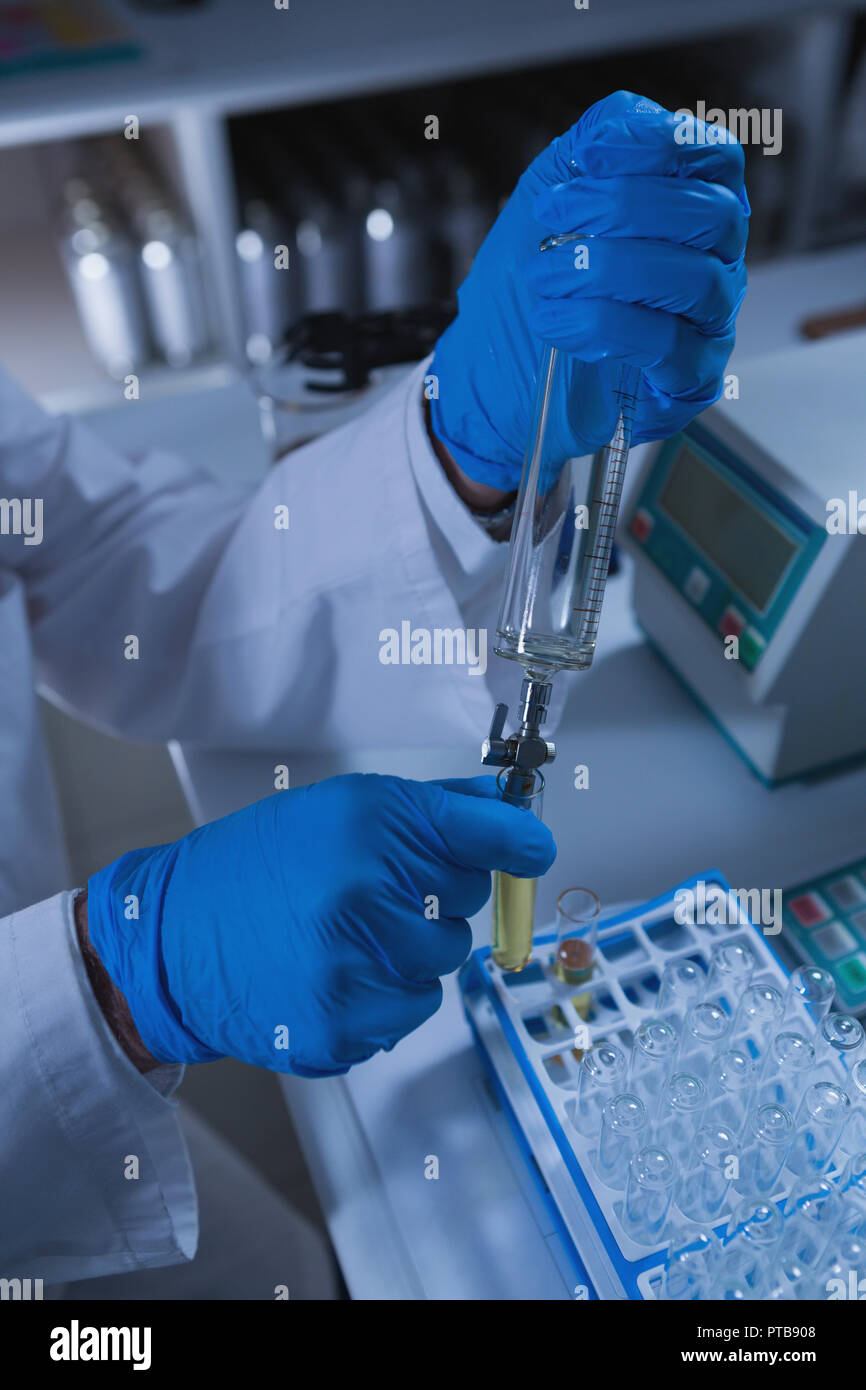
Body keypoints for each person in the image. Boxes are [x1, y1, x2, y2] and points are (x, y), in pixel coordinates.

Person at [0, 92, 748, 1294]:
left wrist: (460, 446)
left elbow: (99, 554)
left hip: (68, 1102)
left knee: (297, 1271)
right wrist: (116, 981)